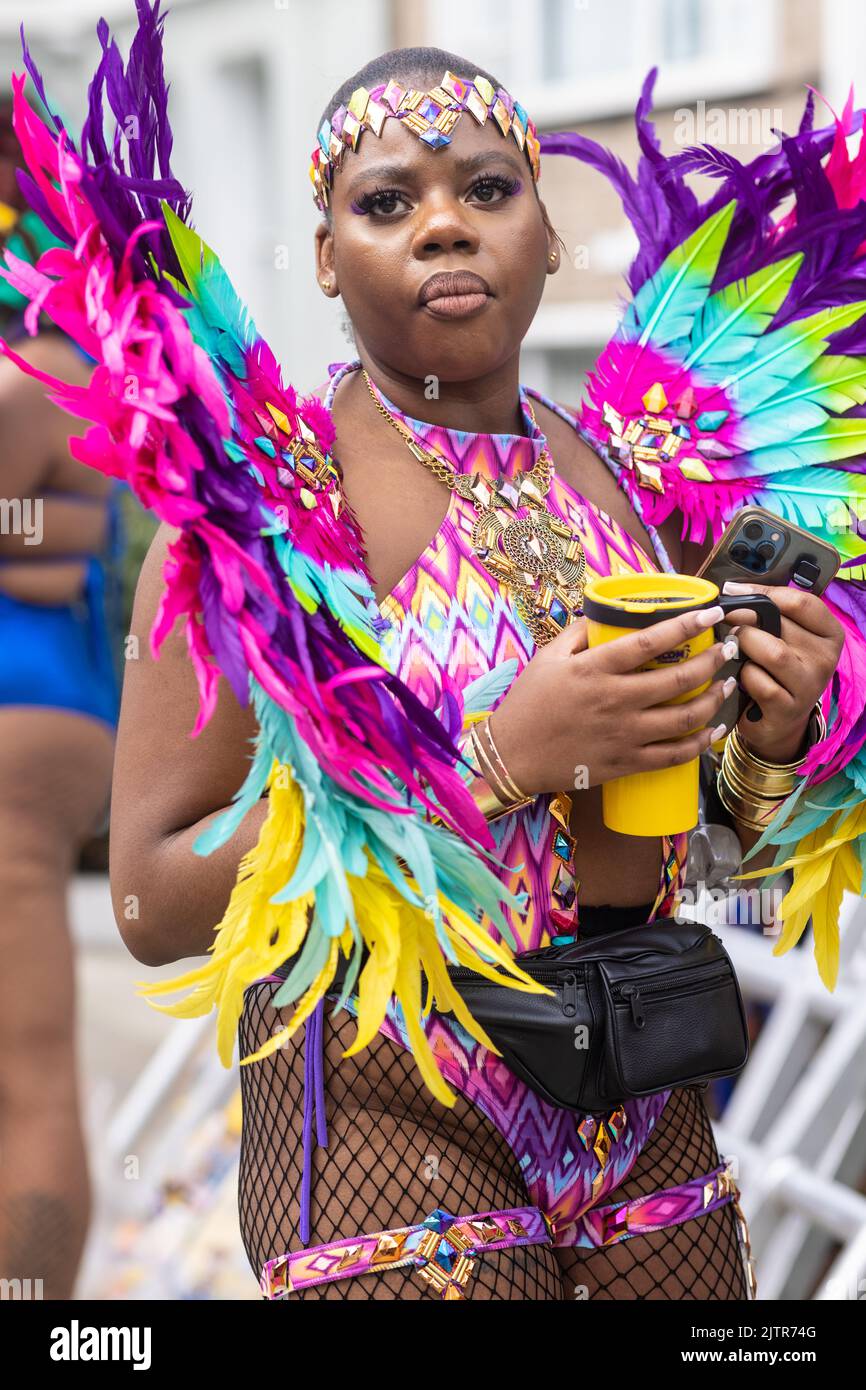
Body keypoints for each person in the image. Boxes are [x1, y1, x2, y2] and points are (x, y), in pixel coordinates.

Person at [4, 2, 862, 1302]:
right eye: (386, 202)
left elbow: (715, 851)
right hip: (386, 1107)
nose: (444, 225)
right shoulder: (256, 508)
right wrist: (496, 755)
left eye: (486, 189)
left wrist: (771, 738)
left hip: (639, 1084)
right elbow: (151, 901)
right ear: (327, 257)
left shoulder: (628, 484)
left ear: (547, 230)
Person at [0, 96, 124, 1298]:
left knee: (26, 1078)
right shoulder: (72, 360)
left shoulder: (27, 374)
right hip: (56, 705)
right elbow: (59, 534)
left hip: (20, 717)